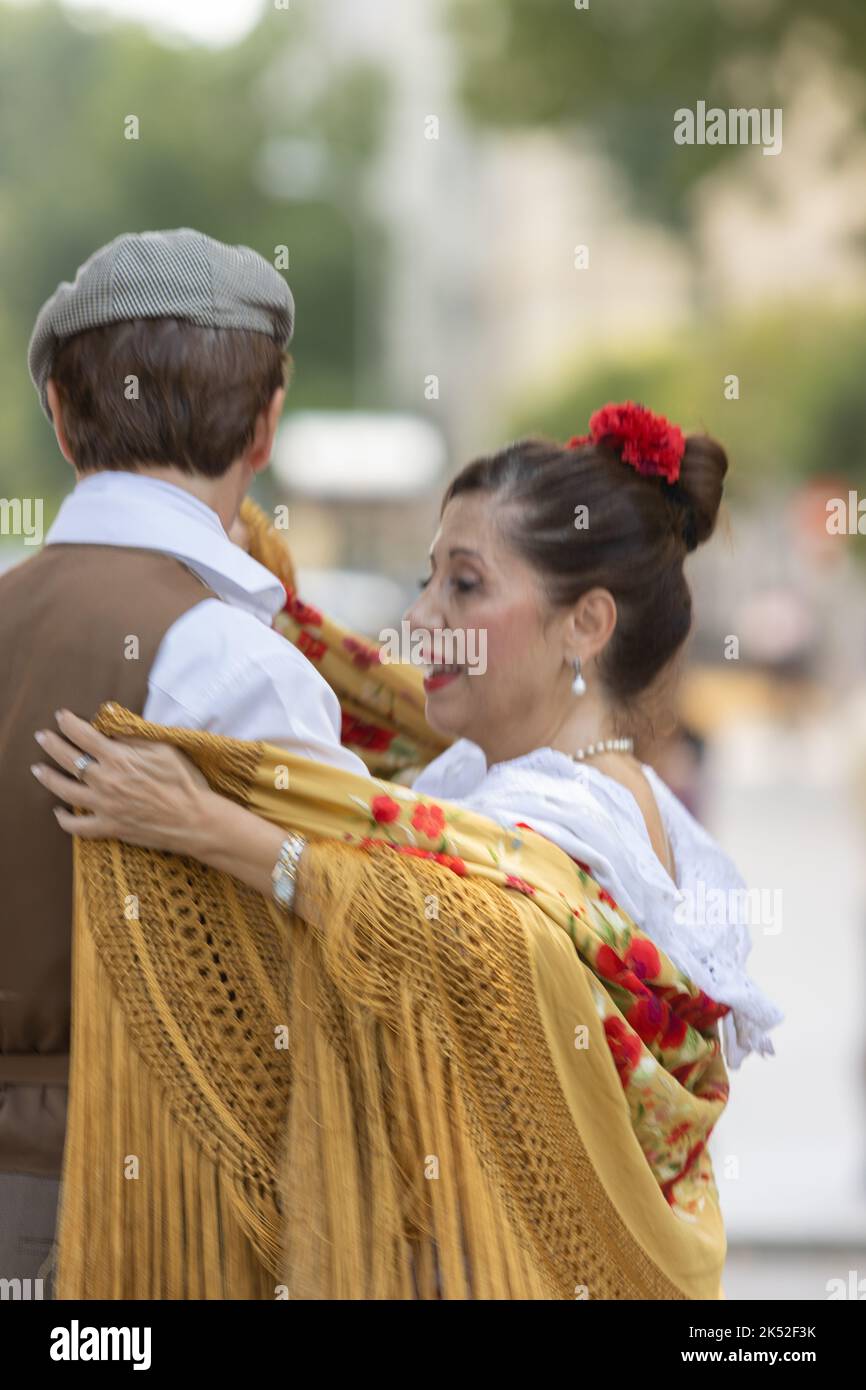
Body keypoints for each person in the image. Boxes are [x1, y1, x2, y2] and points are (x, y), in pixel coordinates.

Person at [34, 402, 781, 1068]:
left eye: (464, 584)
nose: (420, 619)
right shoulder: (582, 788)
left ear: (584, 624)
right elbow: (386, 781)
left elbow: (441, 945)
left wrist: (202, 823)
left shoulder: (562, 824)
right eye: (429, 579)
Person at [0, 228, 366, 1296]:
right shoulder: (235, 659)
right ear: (265, 425)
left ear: (61, 420)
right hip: (143, 1205)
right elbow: (351, 944)